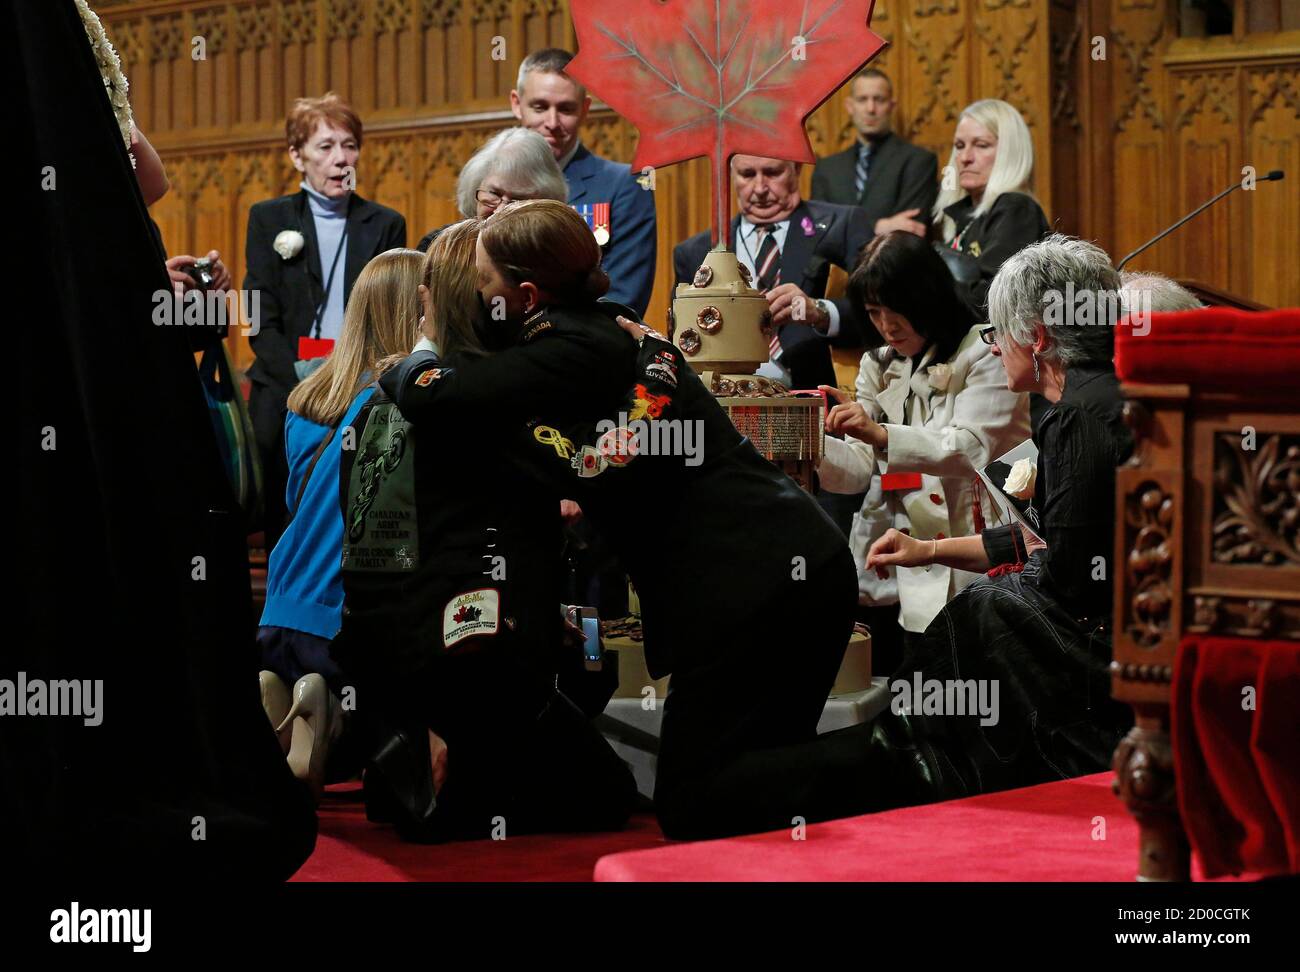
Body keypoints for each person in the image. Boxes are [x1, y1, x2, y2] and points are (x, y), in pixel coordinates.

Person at [380, 199, 884, 841]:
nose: (480, 295)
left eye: (485, 281)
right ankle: (894, 772)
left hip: (756, 584)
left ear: (526, 293)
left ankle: (896, 757)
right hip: (777, 573)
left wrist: (410, 357)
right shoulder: (601, 330)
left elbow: (439, 394)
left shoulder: (566, 347)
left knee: (699, 802)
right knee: (744, 792)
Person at [331, 221, 637, 842]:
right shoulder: (481, 401)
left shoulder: (379, 396)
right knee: (611, 796)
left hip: (382, 653)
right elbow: (572, 484)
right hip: (470, 654)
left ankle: (416, 756)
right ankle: (451, 771)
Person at [864, 235, 1134, 804]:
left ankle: (933, 772)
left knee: (982, 610)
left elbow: (1068, 578)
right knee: (983, 610)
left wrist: (1010, 576)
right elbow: (1051, 541)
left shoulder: (1080, 413)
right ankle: (930, 765)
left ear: (1037, 339)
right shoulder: (1089, 397)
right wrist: (927, 552)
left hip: (1105, 629)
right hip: (1107, 608)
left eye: (997, 334)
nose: (991, 350)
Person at [256, 248, 427, 802]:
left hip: (279, 611)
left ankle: (284, 695)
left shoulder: (306, 400)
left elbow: (296, 500)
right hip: (341, 621)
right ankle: (330, 717)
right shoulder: (405, 400)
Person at [816, 232, 1029, 676]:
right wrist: (809, 445)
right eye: (874, 312)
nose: (887, 326)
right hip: (904, 562)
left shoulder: (985, 349)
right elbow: (857, 472)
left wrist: (879, 433)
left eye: (897, 309)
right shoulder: (879, 363)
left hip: (984, 552)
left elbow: (969, 448)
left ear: (927, 297)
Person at [244, 92, 407, 549]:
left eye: (350, 145)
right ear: (297, 156)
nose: (341, 159)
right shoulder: (268, 218)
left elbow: (390, 315)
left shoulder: (385, 223)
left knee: (353, 505)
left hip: (359, 378)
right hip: (284, 382)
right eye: (325, 147)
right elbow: (258, 316)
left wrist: (353, 378)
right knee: (283, 509)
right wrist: (300, 383)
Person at [673, 154, 873, 392]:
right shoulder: (694, 251)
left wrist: (820, 311)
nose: (759, 188)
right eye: (747, 174)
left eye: (772, 172)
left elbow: (882, 313)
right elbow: (682, 339)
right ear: (730, 175)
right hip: (723, 402)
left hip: (815, 391)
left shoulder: (842, 226)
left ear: (796, 168)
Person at [510, 48, 657, 316]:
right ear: (517, 104)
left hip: (584, 349)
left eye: (565, 109)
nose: (552, 122)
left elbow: (622, 301)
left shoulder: (624, 186)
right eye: (540, 107)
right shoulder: (496, 184)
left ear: (585, 109)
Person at [932, 99, 1050, 315]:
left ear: (1009, 153)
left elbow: (992, 299)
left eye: (981, 145)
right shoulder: (964, 215)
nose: (965, 158)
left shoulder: (1017, 209)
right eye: (959, 146)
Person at [811, 69, 939, 239]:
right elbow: (816, 227)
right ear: (850, 106)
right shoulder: (827, 169)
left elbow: (907, 234)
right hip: (835, 266)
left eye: (879, 100)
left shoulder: (919, 162)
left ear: (891, 106)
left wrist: (842, 230)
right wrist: (878, 226)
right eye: (862, 99)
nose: (871, 108)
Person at [415, 127, 568, 251]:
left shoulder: (557, 254)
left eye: (518, 200)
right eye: (494, 193)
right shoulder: (440, 247)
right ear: (476, 185)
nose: (500, 211)